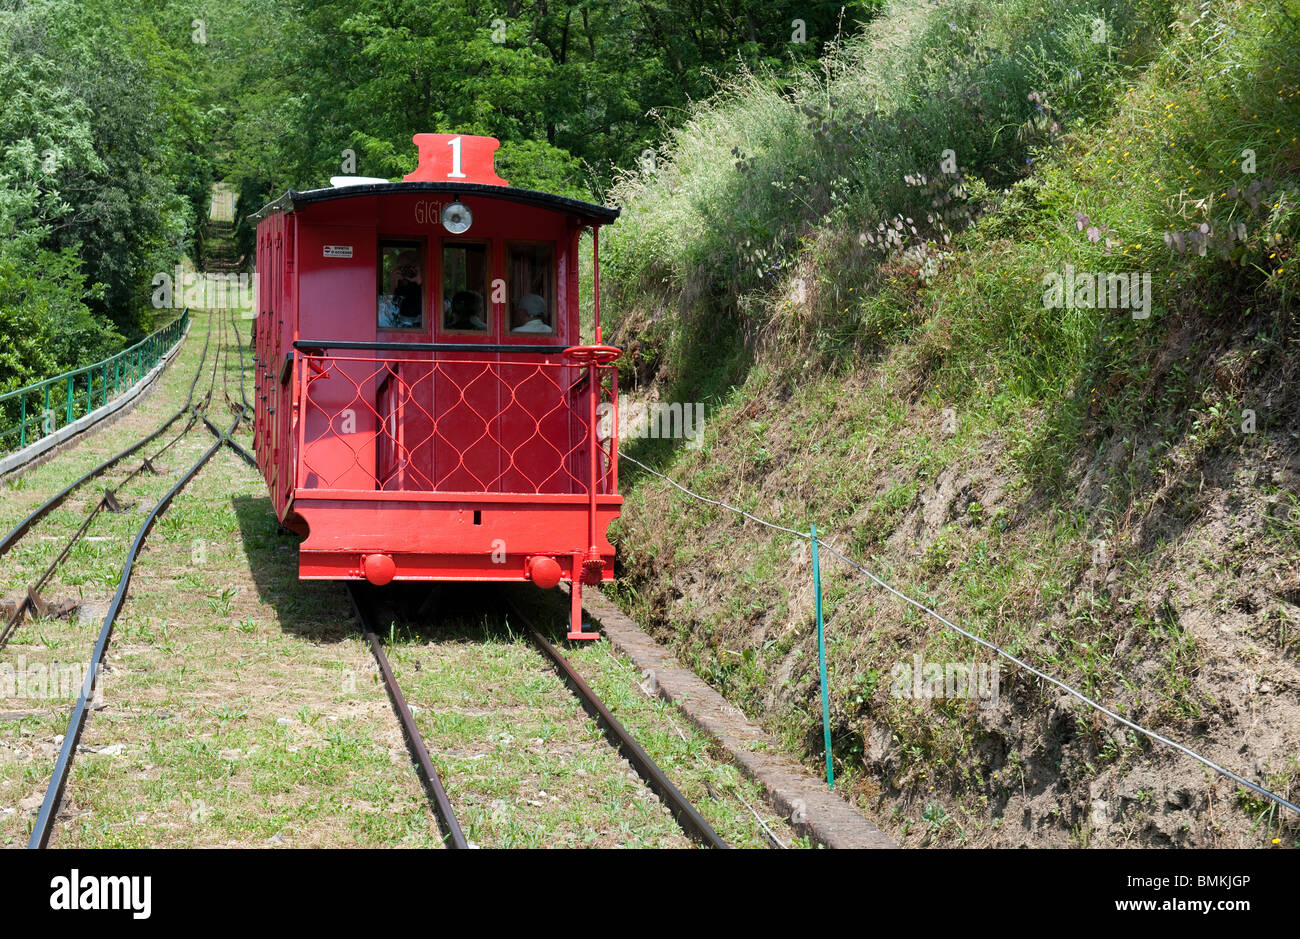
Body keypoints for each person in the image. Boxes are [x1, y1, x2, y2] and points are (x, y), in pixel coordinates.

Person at [379, 250, 422, 328]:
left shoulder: (425, 291)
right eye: (402, 268)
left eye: (410, 268)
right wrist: (392, 287)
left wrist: (421, 283)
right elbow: (381, 320)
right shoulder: (395, 292)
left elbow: (440, 312)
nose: (407, 271)